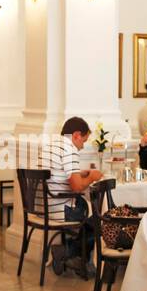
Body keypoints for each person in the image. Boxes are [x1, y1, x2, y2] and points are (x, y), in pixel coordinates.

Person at [39, 117, 103, 275]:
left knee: (88, 209)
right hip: (60, 210)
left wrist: (80, 173)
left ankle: (75, 255)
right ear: (76, 135)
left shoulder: (50, 146)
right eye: (84, 141)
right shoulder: (69, 149)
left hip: (42, 206)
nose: (82, 147)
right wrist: (92, 177)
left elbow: (58, 174)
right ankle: (69, 252)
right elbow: (77, 186)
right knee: (99, 218)